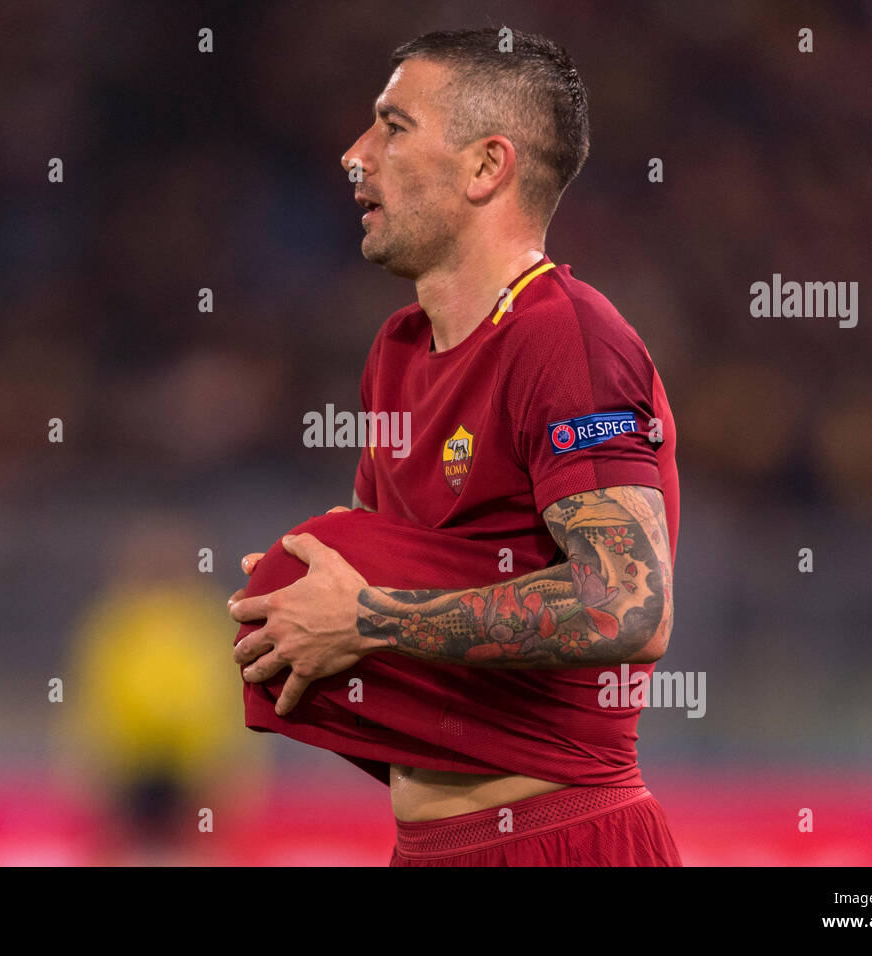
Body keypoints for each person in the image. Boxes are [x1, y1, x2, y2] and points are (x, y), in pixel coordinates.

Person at [229, 27, 681, 866]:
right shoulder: (397, 352)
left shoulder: (568, 340)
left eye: (393, 126)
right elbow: (389, 573)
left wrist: (364, 617)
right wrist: (312, 599)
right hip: (428, 847)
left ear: (486, 167)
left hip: (566, 840)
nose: (352, 154)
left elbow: (629, 603)